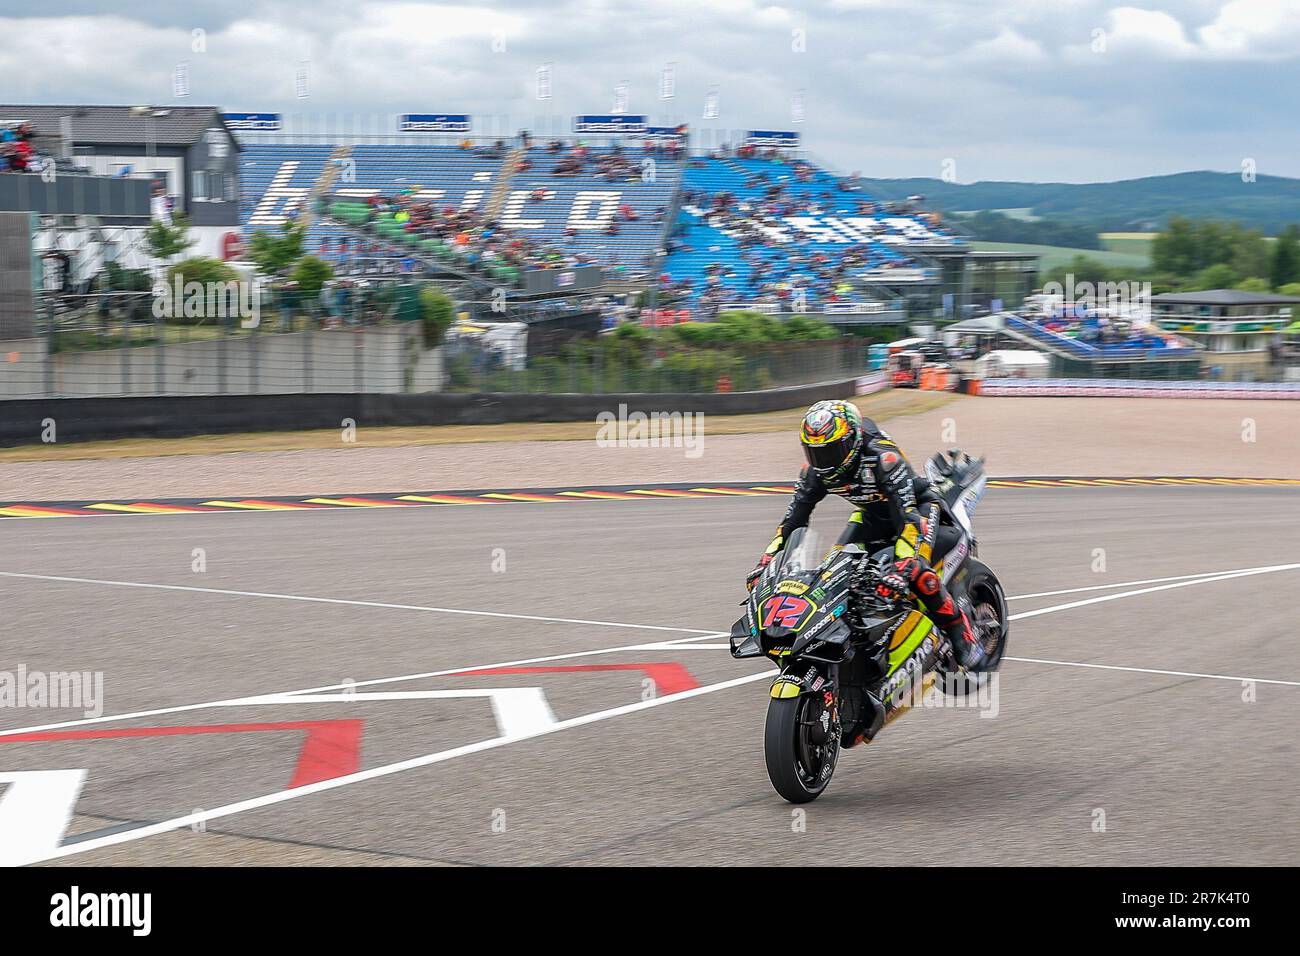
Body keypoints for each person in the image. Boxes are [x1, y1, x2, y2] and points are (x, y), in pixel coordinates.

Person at [746, 400, 985, 670]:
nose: (823, 461)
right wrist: (766, 562)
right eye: (815, 453)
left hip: (917, 511)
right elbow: (790, 524)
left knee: (917, 572)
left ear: (852, 442)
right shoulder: (813, 473)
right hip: (871, 513)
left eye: (832, 450)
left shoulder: (884, 460)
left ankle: (963, 636)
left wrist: (902, 568)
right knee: (831, 572)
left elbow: (908, 518)